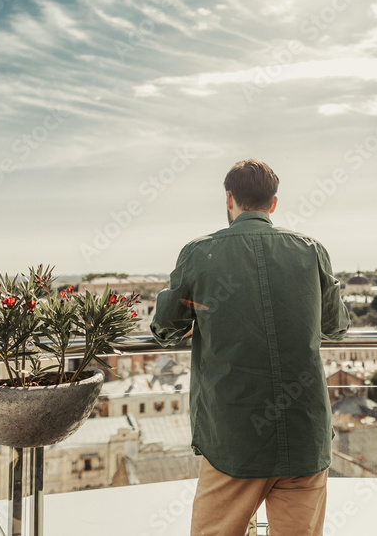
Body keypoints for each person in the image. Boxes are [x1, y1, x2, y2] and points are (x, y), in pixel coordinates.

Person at [151, 159, 350, 536]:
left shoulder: (199, 253)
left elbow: (166, 328)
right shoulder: (310, 250)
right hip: (304, 433)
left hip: (234, 437)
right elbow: (336, 326)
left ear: (229, 199)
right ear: (272, 204)